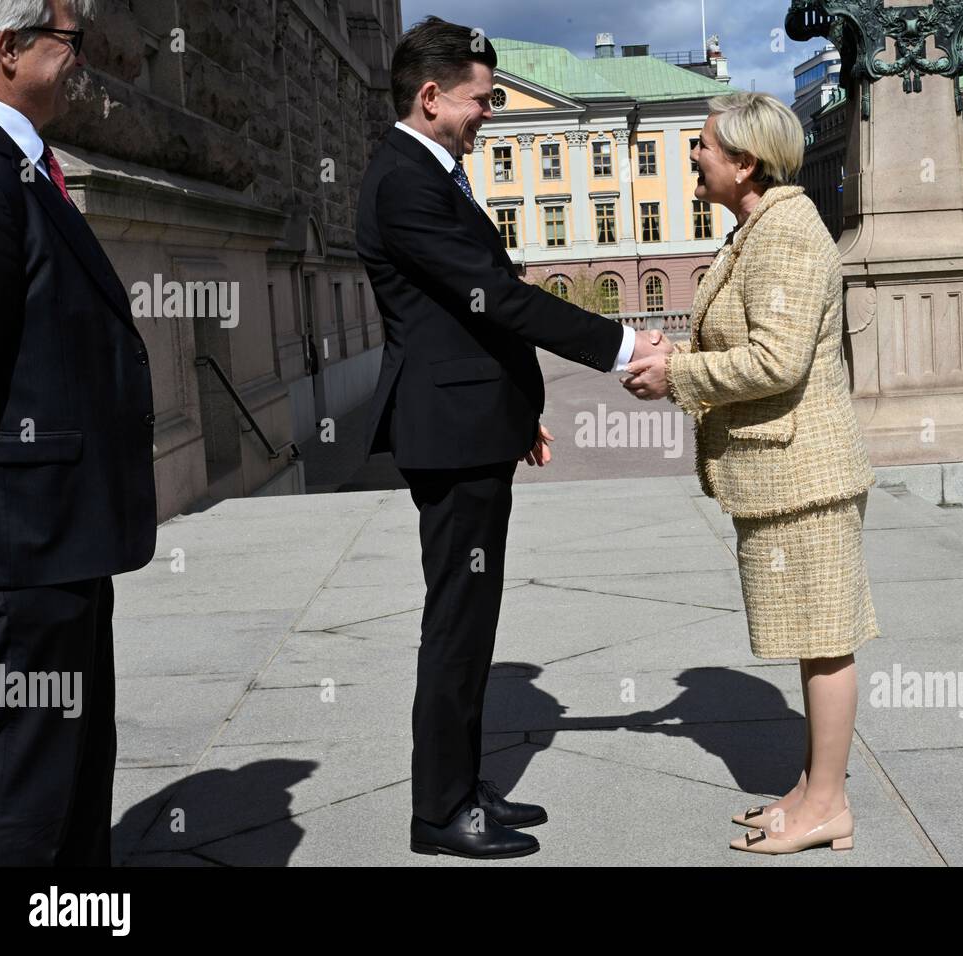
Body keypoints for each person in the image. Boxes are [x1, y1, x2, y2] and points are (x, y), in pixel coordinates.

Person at [357, 16, 670, 860]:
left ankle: (462, 786)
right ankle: (440, 811)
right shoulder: (405, 184)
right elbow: (495, 297)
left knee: (471, 620)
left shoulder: (430, 174)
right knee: (457, 627)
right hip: (449, 439)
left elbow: (473, 315)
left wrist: (514, 409)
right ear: (430, 97)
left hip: (471, 428)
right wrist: (623, 346)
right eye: (477, 100)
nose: (487, 113)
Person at [623, 92, 879, 855]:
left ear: (745, 161)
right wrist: (676, 359)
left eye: (702, 145)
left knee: (826, 638)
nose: (692, 157)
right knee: (811, 632)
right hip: (784, 473)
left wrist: (679, 376)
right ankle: (811, 790)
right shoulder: (756, 230)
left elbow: (777, 358)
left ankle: (828, 803)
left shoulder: (788, 235)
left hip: (807, 473)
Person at [0, 0, 157, 866]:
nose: (81, 59)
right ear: (8, 49)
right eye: (68, 42)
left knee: (76, 773)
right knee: (29, 793)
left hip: (61, 544)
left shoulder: (23, 165)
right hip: (19, 550)